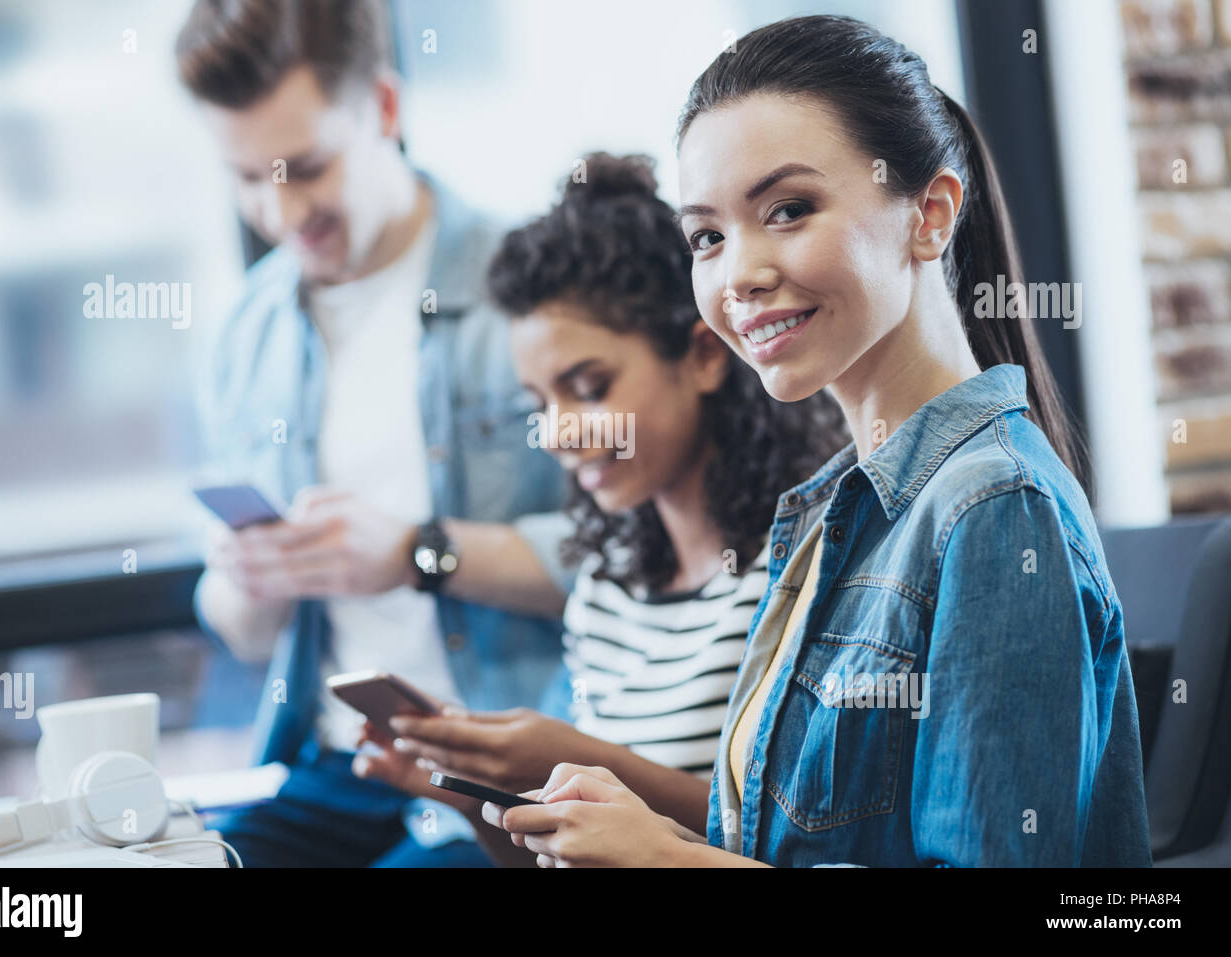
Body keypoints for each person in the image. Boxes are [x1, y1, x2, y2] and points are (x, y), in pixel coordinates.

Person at [486, 15, 1153, 867]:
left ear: (931, 214)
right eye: (708, 237)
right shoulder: (836, 511)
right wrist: (646, 830)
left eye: (788, 210)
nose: (740, 275)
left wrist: (669, 859)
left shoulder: (993, 507)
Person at [348, 153, 847, 865]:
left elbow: (790, 837)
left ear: (704, 355)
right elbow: (561, 856)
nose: (558, 432)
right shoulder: (609, 580)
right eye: (539, 403)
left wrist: (582, 757)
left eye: (589, 386)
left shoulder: (801, 565)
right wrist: (465, 789)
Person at [175, 0, 573, 867]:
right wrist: (249, 581)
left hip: (504, 762)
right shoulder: (248, 334)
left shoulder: (531, 288)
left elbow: (638, 557)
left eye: (306, 168)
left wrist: (415, 551)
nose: (279, 213)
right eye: (246, 178)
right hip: (330, 763)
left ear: (385, 110)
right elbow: (238, 629)